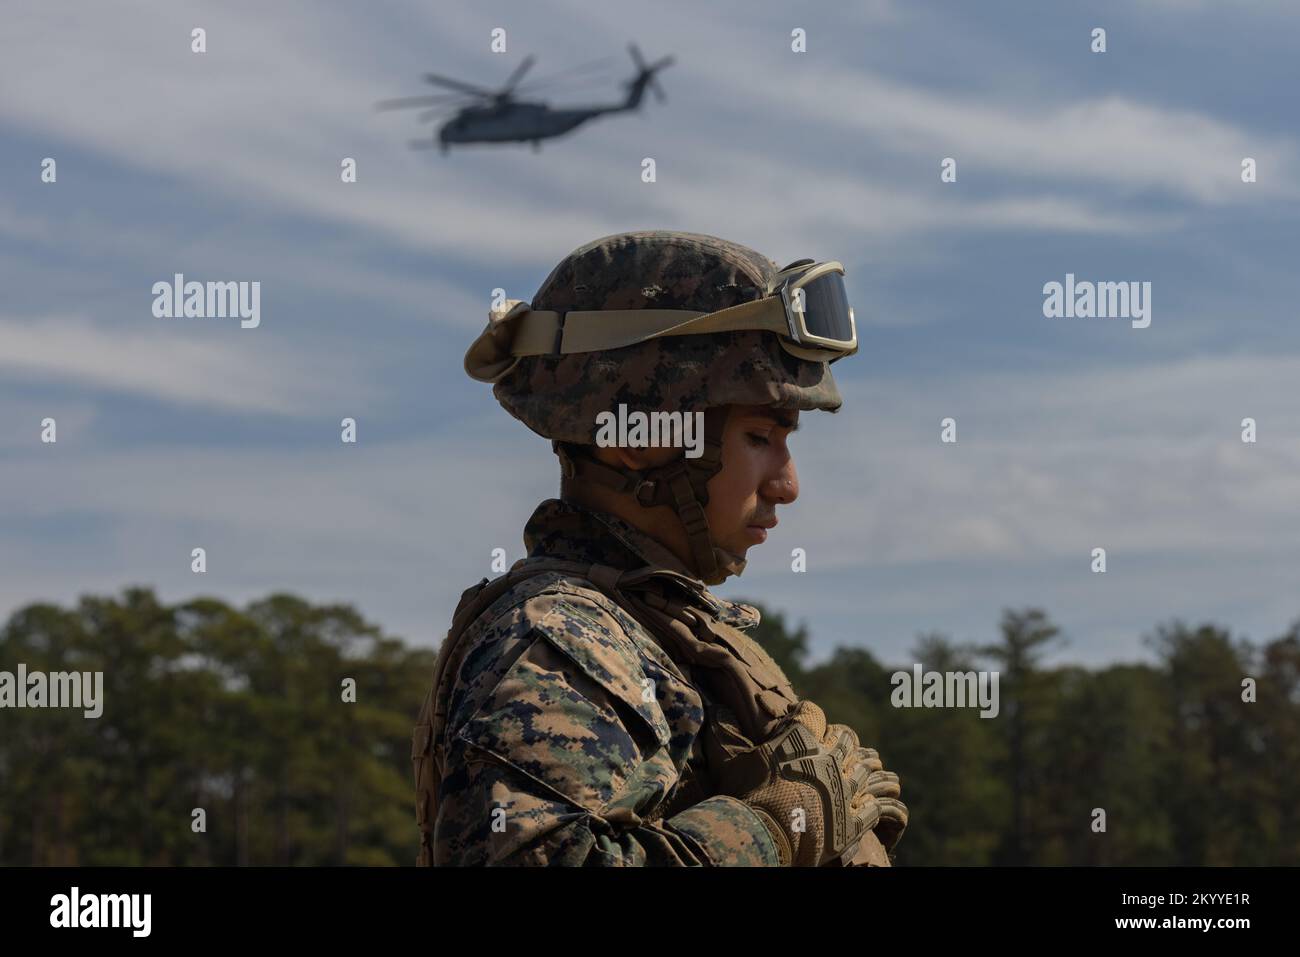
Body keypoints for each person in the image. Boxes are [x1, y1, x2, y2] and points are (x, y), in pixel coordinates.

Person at [412, 230, 907, 866]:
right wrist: (781, 829)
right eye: (760, 436)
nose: (787, 486)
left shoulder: (644, 632)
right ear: (642, 439)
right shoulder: (560, 641)